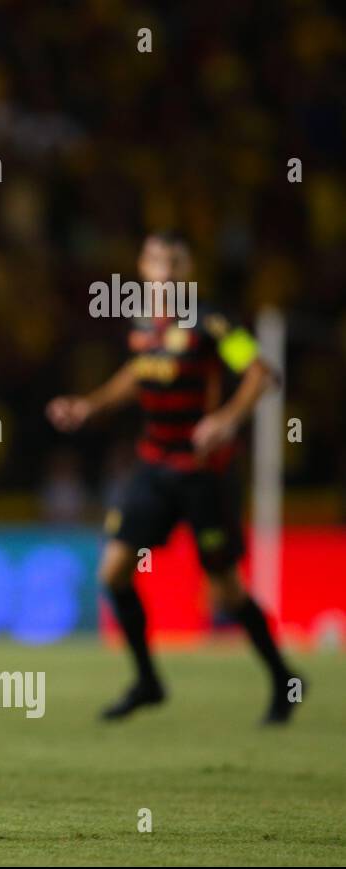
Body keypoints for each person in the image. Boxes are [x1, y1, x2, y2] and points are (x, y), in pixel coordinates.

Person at [47, 232, 302, 724]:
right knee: (114, 572)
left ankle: (283, 680)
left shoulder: (213, 322)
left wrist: (227, 418)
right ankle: (148, 681)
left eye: (174, 261)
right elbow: (137, 372)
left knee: (226, 589)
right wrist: (89, 405)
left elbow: (260, 371)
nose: (163, 269)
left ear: (188, 270)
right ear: (142, 266)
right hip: (154, 466)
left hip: (203, 475)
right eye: (155, 259)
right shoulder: (144, 322)